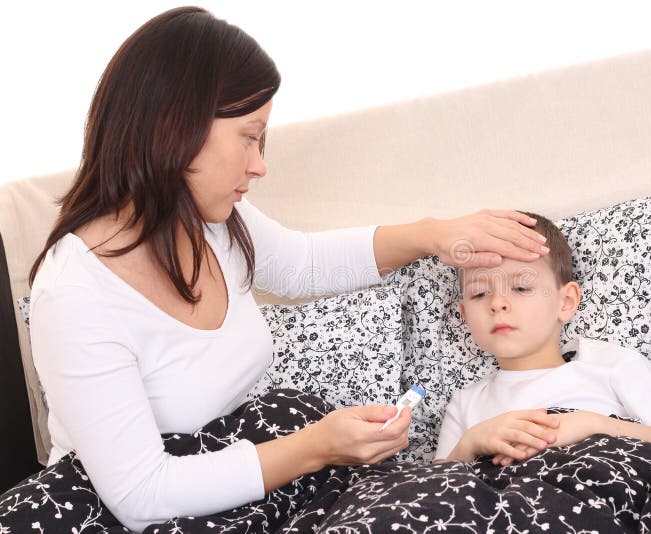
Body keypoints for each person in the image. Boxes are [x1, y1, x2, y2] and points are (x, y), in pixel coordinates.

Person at [24, 7, 550, 532]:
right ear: (174, 128)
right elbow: (144, 492)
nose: (260, 164)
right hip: (134, 511)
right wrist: (315, 447)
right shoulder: (74, 292)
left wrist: (435, 235)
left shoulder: (209, 218)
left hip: (233, 474)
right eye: (249, 136)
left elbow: (304, 265)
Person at [434, 211, 651, 465]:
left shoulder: (609, 365)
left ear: (566, 302)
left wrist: (593, 425)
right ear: (465, 314)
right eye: (480, 293)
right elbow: (435, 490)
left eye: (521, 287)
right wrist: (470, 443)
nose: (497, 304)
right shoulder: (466, 402)